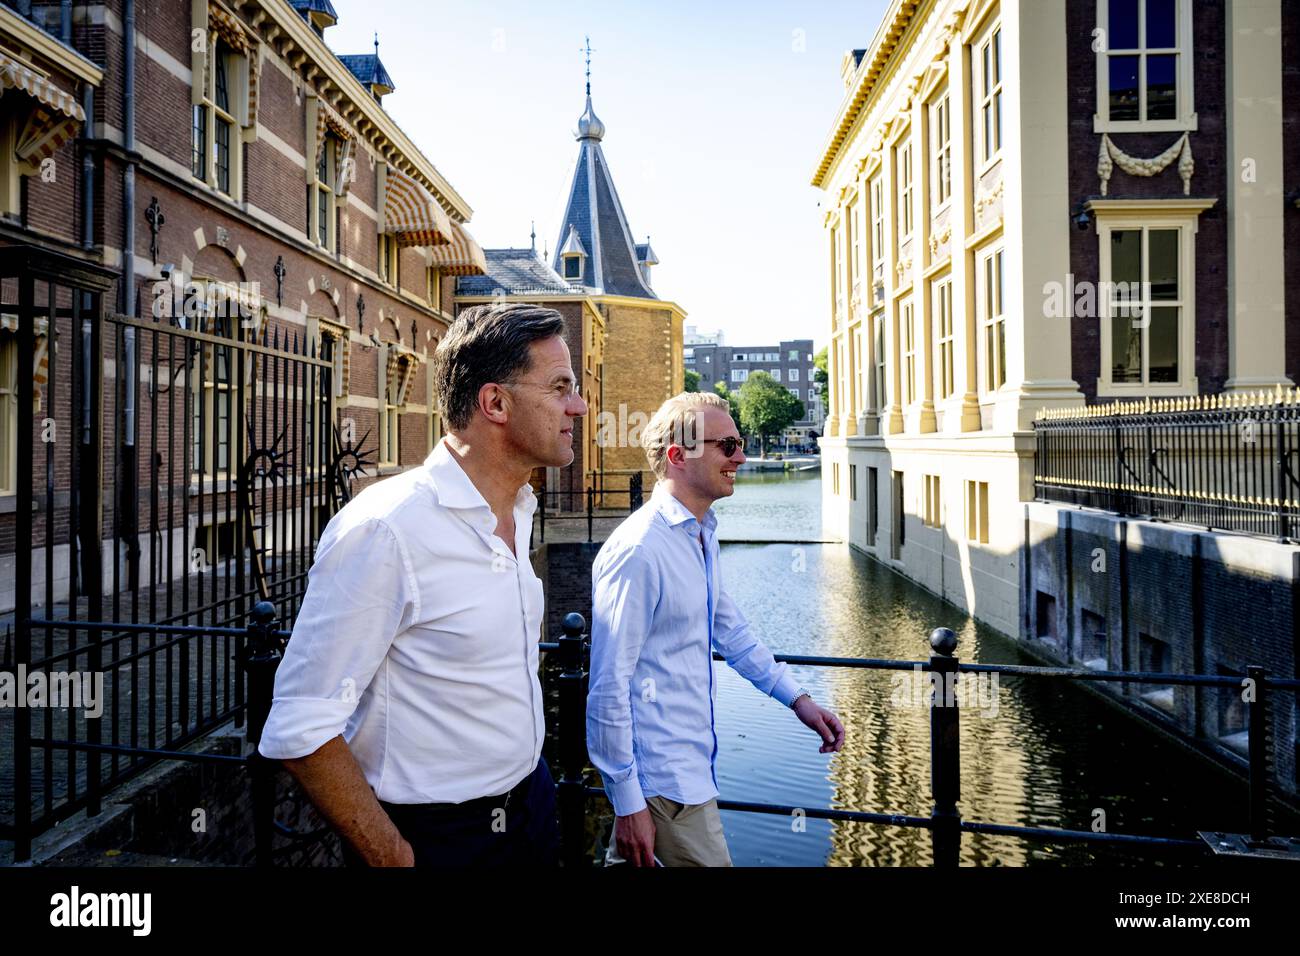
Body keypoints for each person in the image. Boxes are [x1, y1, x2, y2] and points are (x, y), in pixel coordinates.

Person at [258, 302, 587, 866]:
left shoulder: (521, 508)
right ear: (495, 403)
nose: (578, 406)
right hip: (441, 836)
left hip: (530, 805)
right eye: (560, 388)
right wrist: (393, 856)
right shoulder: (386, 530)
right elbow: (299, 726)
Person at [586, 392, 845, 867]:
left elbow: (733, 632)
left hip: (688, 780)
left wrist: (799, 701)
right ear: (677, 455)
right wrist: (628, 805)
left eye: (740, 443)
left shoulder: (698, 534)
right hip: (665, 789)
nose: (741, 457)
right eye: (727, 445)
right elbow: (607, 688)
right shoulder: (641, 550)